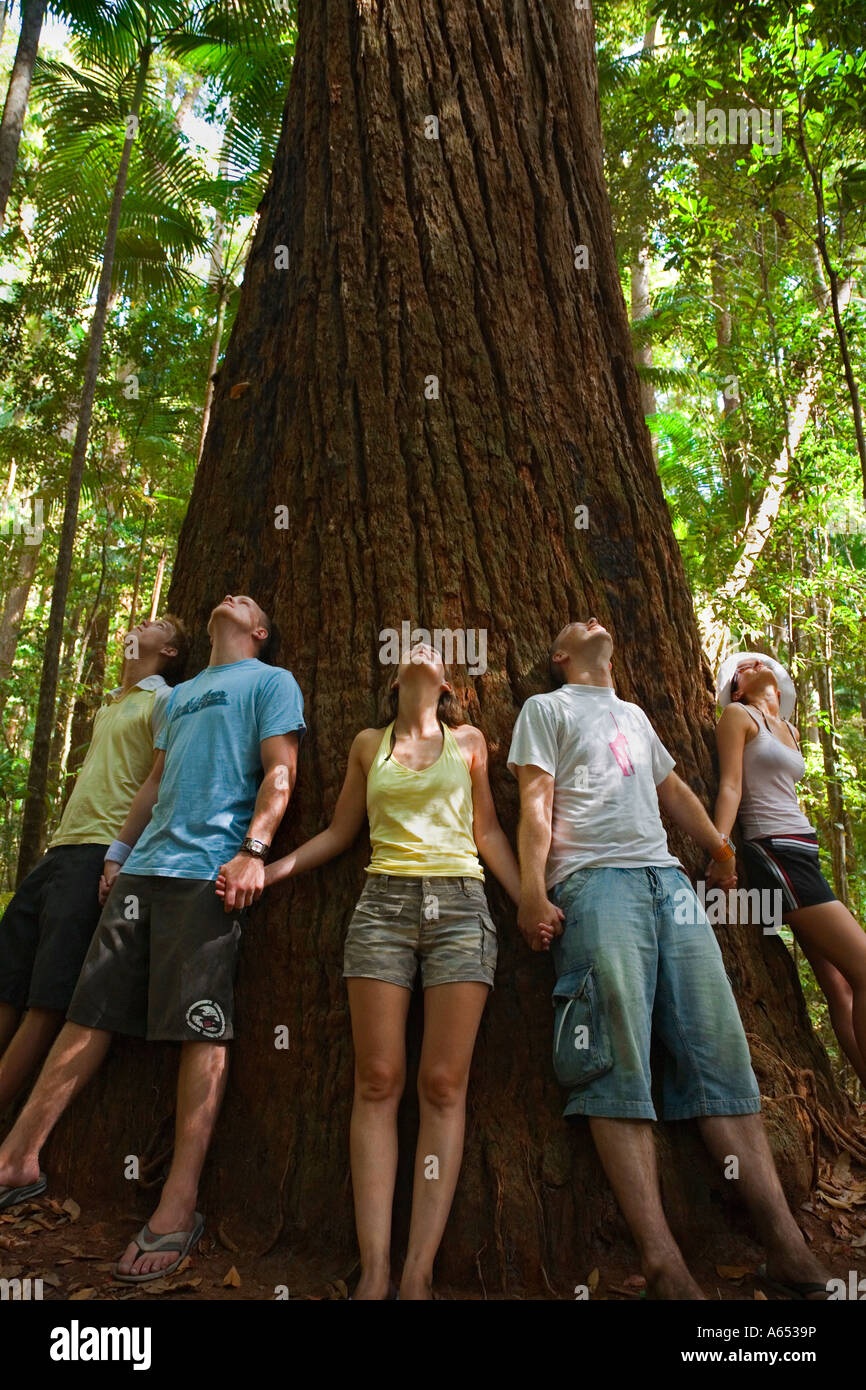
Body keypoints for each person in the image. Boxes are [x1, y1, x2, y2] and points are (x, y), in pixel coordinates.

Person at [508, 618, 830, 1299]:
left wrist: (718, 848)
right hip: (594, 884)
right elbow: (535, 805)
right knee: (613, 1057)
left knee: (720, 1050)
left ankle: (783, 1240)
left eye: (602, 620)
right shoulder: (546, 709)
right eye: (575, 626)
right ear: (562, 656)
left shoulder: (632, 713)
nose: (595, 620)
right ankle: (662, 1258)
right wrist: (532, 891)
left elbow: (673, 791)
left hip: (670, 883)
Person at [0, 594, 305, 1287]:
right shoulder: (181, 693)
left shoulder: (270, 682)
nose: (231, 598)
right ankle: (17, 1156)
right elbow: (156, 780)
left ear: (258, 631)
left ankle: (178, 1201)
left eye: (249, 603)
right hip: (142, 869)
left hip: (207, 872)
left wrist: (254, 849)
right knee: (89, 1011)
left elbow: (281, 772)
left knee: (200, 1025)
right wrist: (116, 851)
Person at [241, 642, 531, 1300]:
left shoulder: (473, 743)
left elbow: (487, 833)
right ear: (394, 676)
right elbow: (342, 833)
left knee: (442, 1085)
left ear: (450, 682)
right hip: (382, 909)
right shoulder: (369, 743)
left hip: (460, 906)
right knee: (376, 1079)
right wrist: (270, 868)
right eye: (411, 648)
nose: (423, 650)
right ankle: (374, 1271)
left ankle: (418, 1272)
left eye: (436, 649)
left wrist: (529, 901)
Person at [0, 613, 187, 1109]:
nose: (145, 621)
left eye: (160, 623)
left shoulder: (165, 699)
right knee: (7, 980)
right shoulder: (109, 706)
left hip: (97, 852)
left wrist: (121, 854)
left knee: (47, 996)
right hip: (58, 851)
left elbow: (161, 779)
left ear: (168, 652)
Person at [715, 652, 866, 1088]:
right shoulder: (737, 715)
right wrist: (721, 849)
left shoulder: (791, 730)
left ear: (779, 686)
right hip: (774, 849)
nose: (753, 662)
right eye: (742, 668)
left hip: (803, 847)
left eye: (760, 660)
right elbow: (731, 786)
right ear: (737, 689)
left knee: (840, 986)